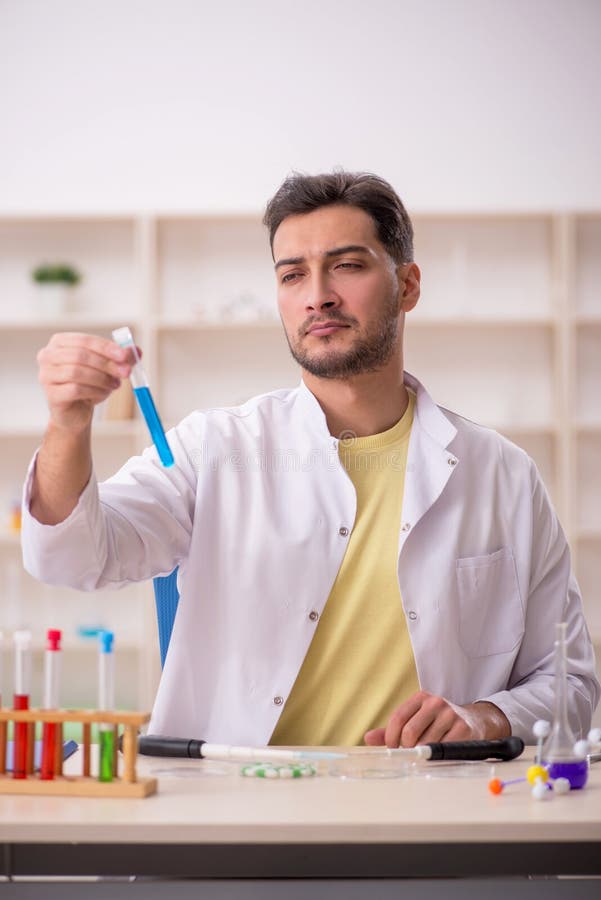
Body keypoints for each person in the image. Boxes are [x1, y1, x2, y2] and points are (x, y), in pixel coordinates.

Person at [22, 171, 599, 748]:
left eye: (347, 265)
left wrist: (487, 718)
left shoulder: (504, 475)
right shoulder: (214, 448)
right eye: (293, 274)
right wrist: (68, 426)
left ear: (408, 285)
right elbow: (69, 559)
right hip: (242, 803)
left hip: (428, 803)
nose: (317, 294)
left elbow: (571, 683)